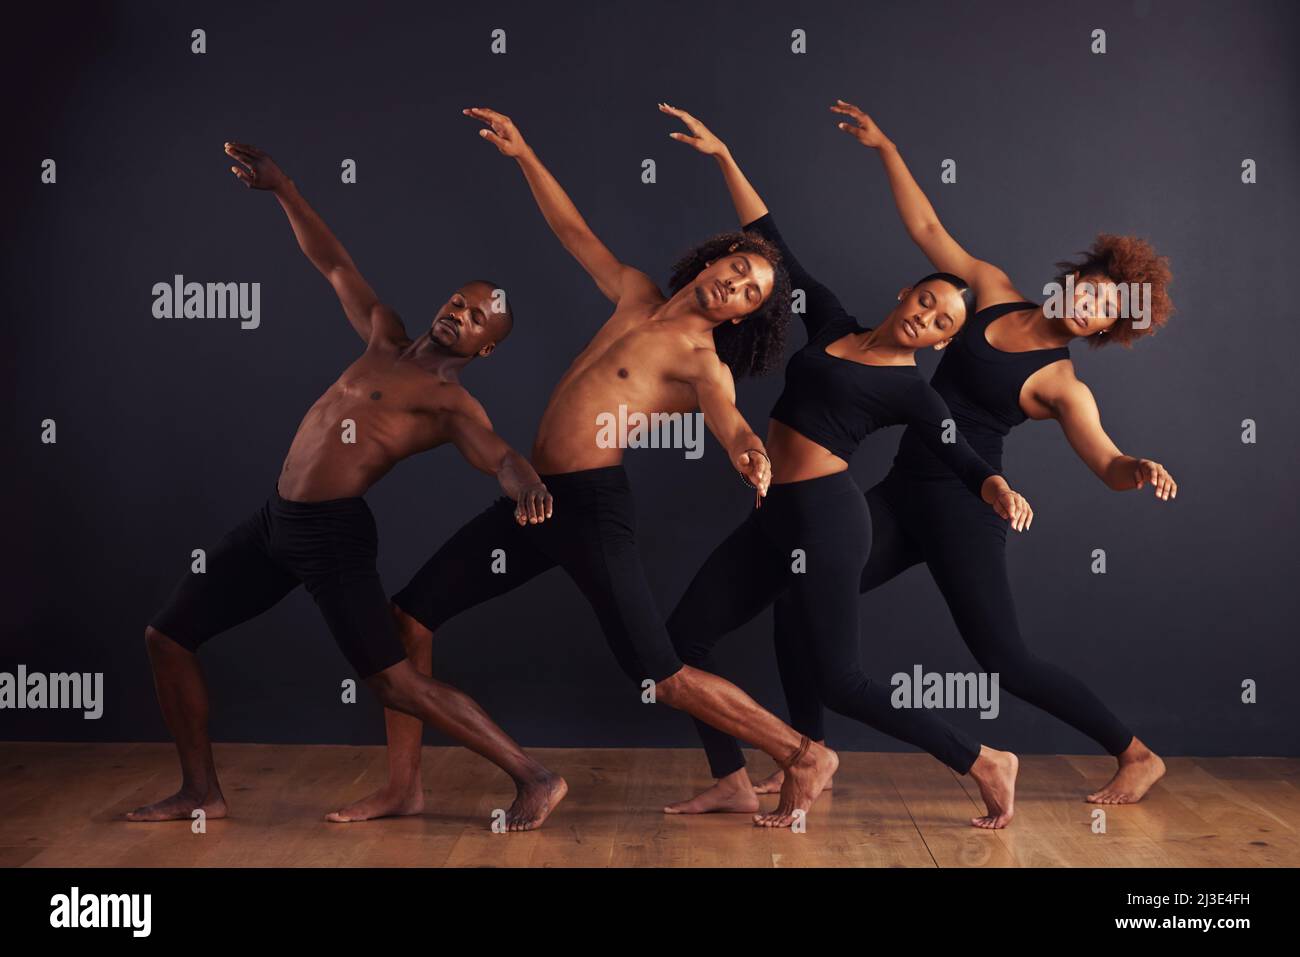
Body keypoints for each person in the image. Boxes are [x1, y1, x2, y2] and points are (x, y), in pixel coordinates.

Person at [327, 108, 835, 831]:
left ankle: (800, 750)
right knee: (409, 615)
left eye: (751, 293)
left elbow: (727, 418)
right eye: (739, 269)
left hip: (592, 507)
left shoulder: (701, 359)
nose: (737, 287)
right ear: (718, 257)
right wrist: (526, 152)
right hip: (535, 500)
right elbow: (572, 233)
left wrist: (748, 451)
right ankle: (404, 785)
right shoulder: (633, 293)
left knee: (658, 674)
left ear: (743, 317)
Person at [130, 142, 568, 832]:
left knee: (394, 681)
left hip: (333, 534)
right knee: (168, 635)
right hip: (277, 523)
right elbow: (333, 261)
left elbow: (500, 455)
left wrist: (529, 483)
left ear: (485, 347)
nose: (463, 312)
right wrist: (284, 189)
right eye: (462, 301)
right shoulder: (383, 335)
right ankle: (200, 791)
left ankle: (535, 776)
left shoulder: (449, 400)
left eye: (480, 317)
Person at [759, 101, 1175, 809]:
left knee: (1004, 659)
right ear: (1076, 277)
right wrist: (886, 147)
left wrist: (1136, 467)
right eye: (1093, 291)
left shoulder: (1063, 385)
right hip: (901, 492)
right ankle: (808, 754)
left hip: (966, 505)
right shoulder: (989, 289)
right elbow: (926, 227)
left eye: (1106, 312)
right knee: (798, 599)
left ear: (1108, 329)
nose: (1090, 308)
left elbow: (1105, 463)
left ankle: (1136, 753)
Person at [658, 104, 1028, 828]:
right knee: (680, 643)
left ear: (945, 339)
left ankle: (983, 759)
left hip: (828, 521)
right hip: (774, 515)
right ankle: (734, 777)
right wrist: (725, 155)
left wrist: (997, 484)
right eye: (925, 300)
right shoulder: (831, 321)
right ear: (904, 295)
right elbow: (774, 246)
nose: (928, 316)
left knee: (840, 675)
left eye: (944, 320)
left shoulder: (913, 392)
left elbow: (960, 452)